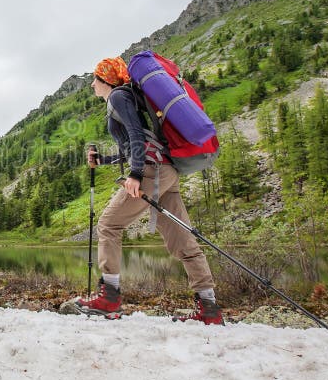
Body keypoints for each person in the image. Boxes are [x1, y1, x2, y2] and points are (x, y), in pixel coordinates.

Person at [76, 56, 224, 325]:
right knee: (182, 240)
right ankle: (209, 308)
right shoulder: (128, 96)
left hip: (151, 171)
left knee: (109, 225)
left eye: (94, 80)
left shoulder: (118, 97)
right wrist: (105, 161)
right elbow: (140, 142)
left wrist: (134, 174)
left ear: (104, 80)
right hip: (166, 171)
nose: (91, 85)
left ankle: (109, 298)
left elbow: (135, 134)